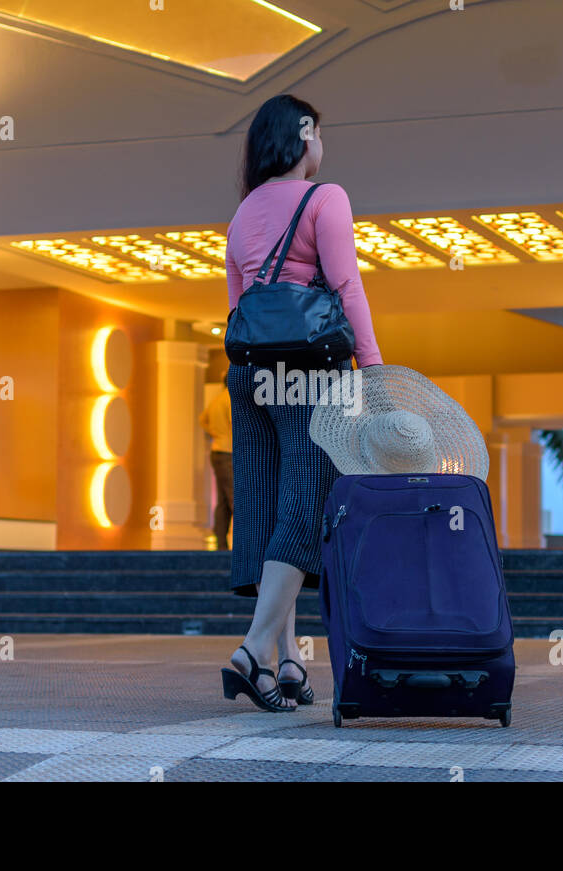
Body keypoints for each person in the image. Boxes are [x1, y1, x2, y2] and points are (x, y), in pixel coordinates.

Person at [219, 94, 383, 711]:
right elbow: (346, 287)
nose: (324, 145)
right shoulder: (326, 199)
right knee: (305, 503)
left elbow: (238, 309)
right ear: (303, 138)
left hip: (249, 373)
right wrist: (370, 368)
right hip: (312, 373)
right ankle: (253, 649)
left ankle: (287, 663)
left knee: (261, 507)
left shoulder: (241, 216)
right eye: (320, 133)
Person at [198, 376, 234, 550]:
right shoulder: (231, 399)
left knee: (223, 500)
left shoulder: (217, 400)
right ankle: (245, 542)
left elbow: (202, 420)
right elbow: (236, 425)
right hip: (229, 452)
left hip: (217, 450)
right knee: (235, 497)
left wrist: (215, 433)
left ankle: (221, 544)